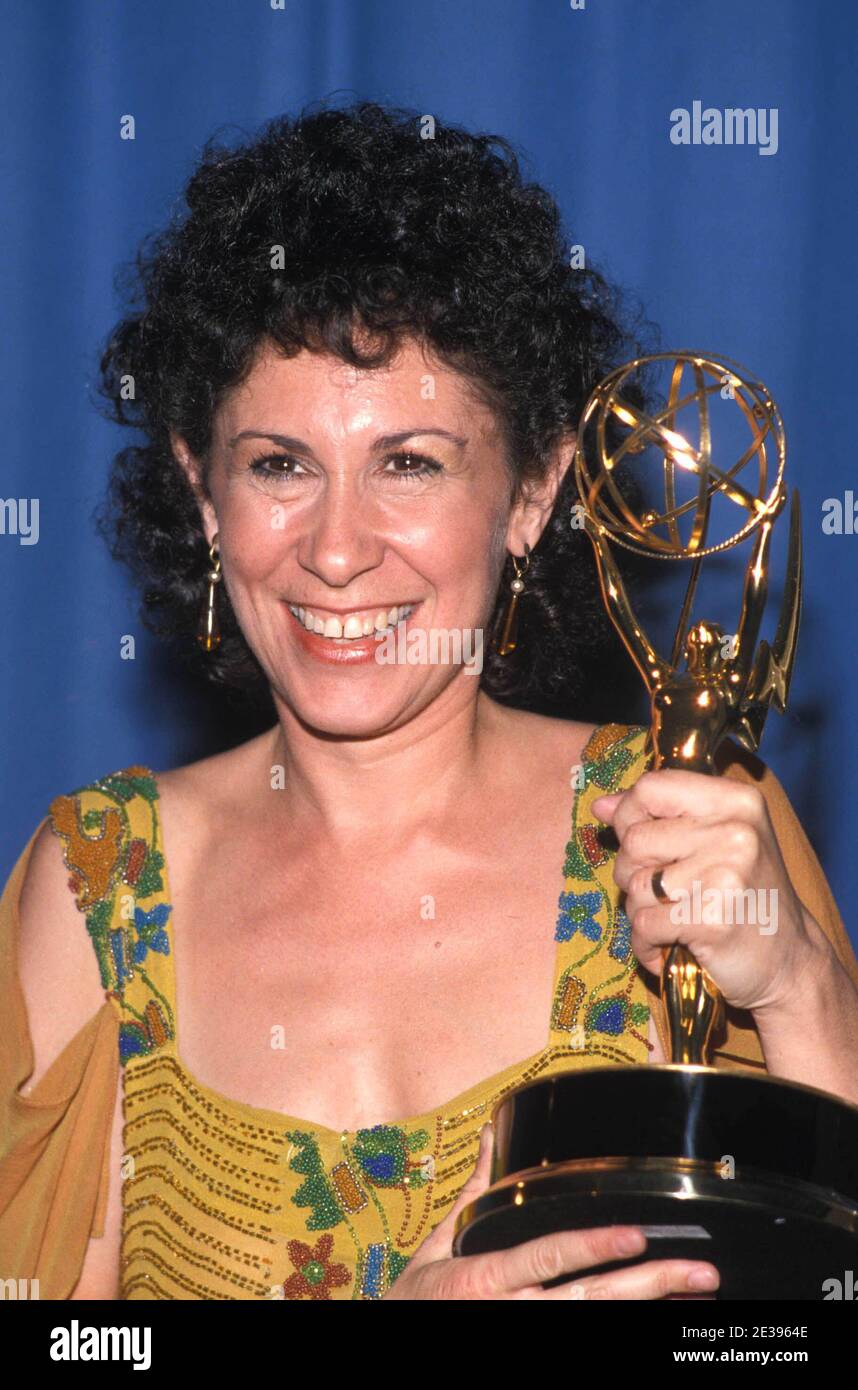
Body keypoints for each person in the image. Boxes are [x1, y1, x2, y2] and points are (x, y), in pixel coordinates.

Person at [2, 101, 858, 1303]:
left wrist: (805, 988)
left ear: (534, 491)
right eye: (278, 464)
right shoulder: (99, 887)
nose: (337, 550)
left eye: (410, 462)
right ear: (202, 493)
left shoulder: (688, 821)